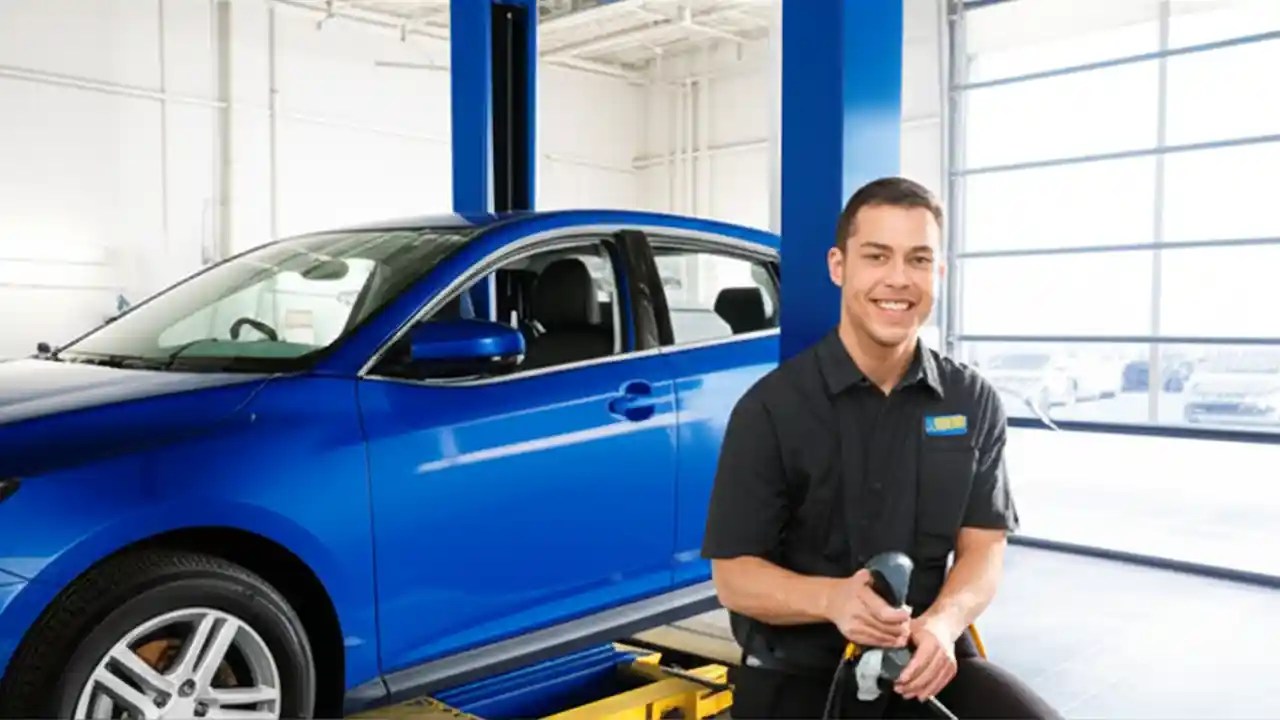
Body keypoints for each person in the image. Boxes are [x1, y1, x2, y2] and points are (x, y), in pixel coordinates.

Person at [701, 177, 1060, 719]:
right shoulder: (771, 411)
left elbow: (984, 548)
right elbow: (734, 578)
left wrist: (943, 622)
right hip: (800, 675)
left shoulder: (971, 401)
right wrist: (832, 601)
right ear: (838, 266)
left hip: (924, 663)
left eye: (918, 259)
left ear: (938, 272)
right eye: (877, 256)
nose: (898, 279)